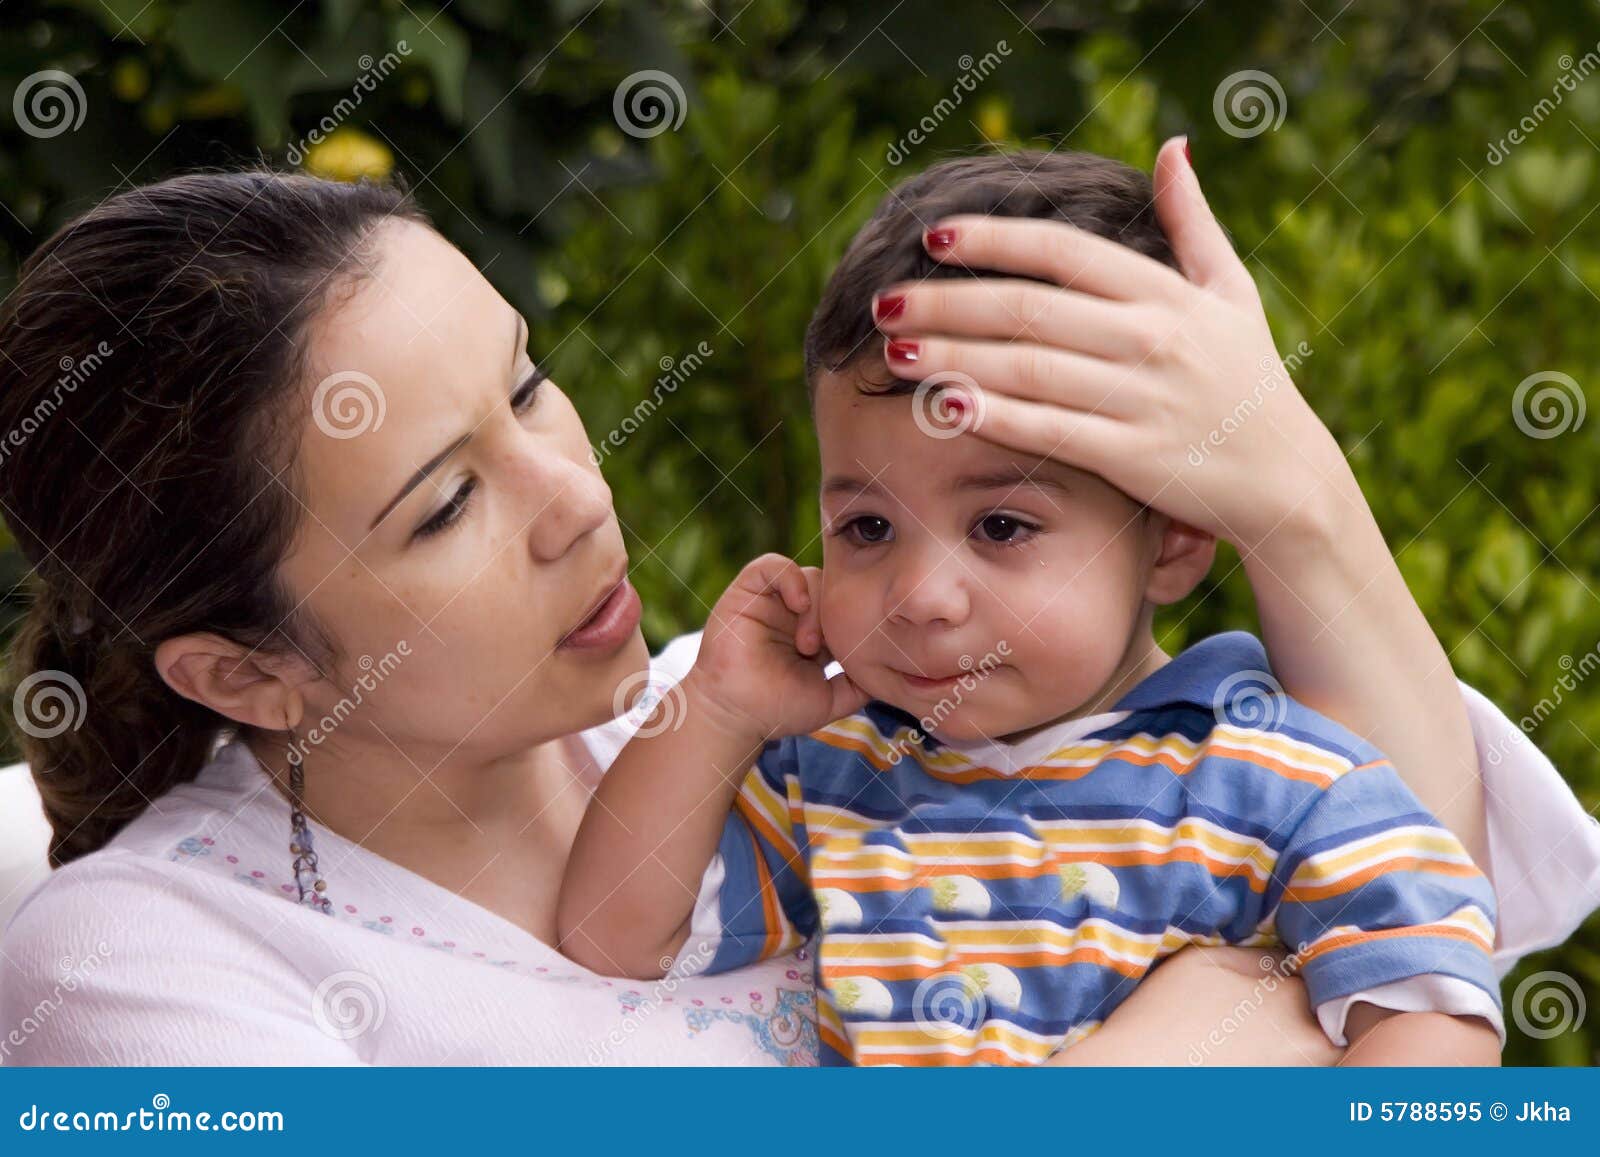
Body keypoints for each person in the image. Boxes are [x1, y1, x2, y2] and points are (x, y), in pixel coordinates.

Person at [0, 144, 1593, 1065]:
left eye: (531, 387)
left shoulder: (773, 732)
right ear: (251, 672)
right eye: (446, 502)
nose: (578, 496)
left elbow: (1410, 877)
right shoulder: (146, 967)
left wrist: (1289, 488)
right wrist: (1198, 1046)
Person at [556, 152, 1503, 1065]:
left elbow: (1435, 1011)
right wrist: (719, 711)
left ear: (1171, 538)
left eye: (1003, 526)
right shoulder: (833, 774)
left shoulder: (1266, 774)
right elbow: (612, 938)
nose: (921, 598)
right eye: (868, 527)